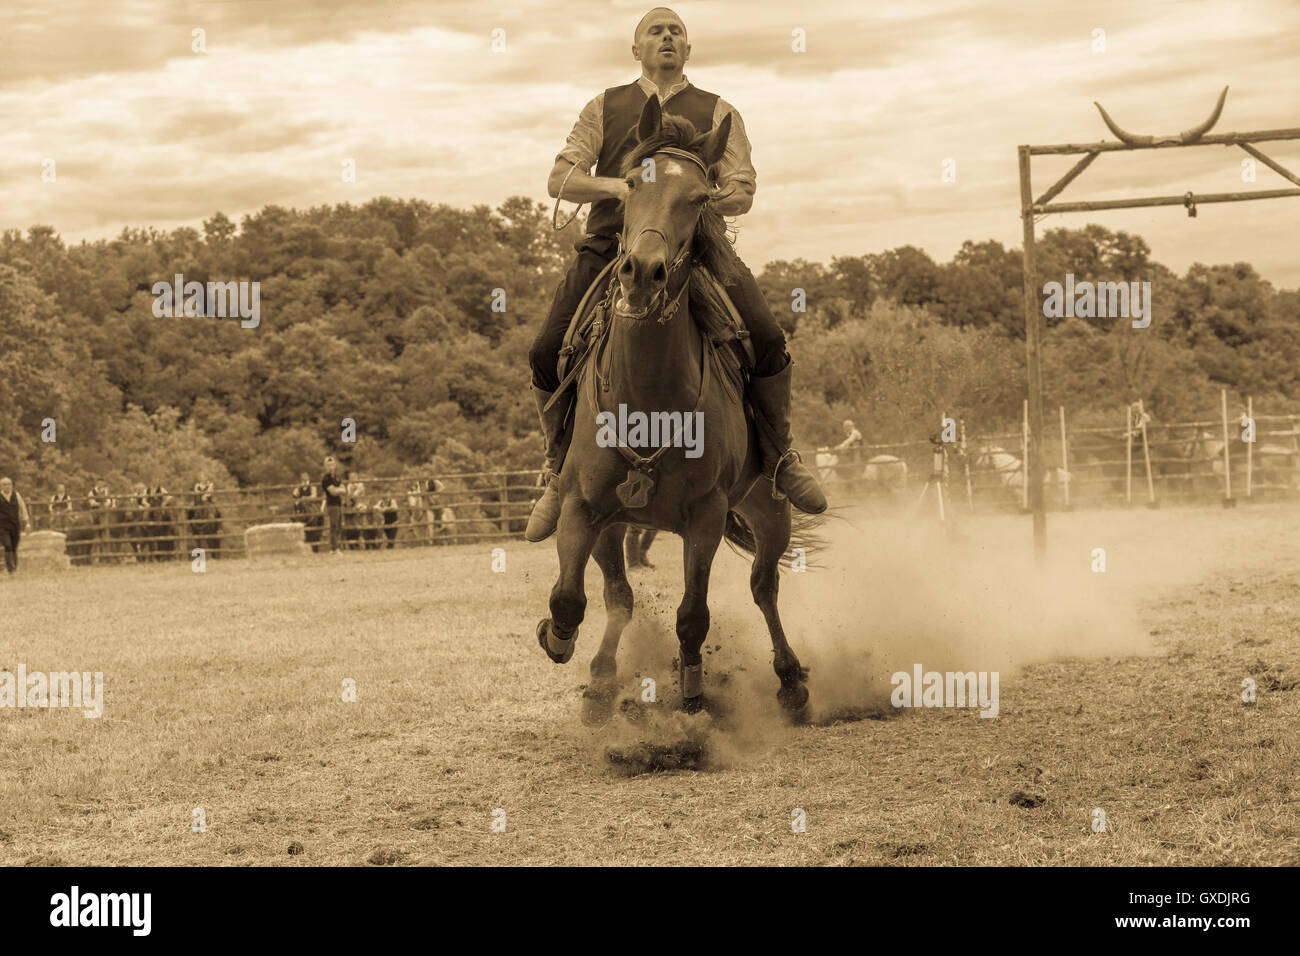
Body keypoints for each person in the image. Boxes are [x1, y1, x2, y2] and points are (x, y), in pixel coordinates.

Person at [523, 7, 826, 542]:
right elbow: (559, 180)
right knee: (547, 349)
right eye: (655, 31)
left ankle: (779, 457)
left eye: (676, 31)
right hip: (611, 246)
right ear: (635, 49)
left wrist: (699, 197)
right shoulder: (604, 106)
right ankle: (556, 468)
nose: (667, 37)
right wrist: (624, 189)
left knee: (769, 338)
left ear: (688, 49)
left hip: (696, 248)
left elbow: (744, 190)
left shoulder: (718, 111)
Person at [0, 477, 32, 576]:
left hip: (15, 525)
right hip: (2, 526)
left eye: (9, 484)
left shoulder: (17, 495)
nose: (7, 486)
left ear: (12, 485)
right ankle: (11, 570)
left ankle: (15, 567)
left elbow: (23, 508)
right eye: (4, 484)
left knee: (14, 547)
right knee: (8, 546)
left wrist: (27, 523)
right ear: (1, 486)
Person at [321, 457, 345, 555]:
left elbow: (344, 489)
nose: (331, 467)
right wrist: (339, 489)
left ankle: (334, 548)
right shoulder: (326, 479)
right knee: (334, 526)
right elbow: (333, 492)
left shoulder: (336, 477)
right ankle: (334, 548)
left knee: (338, 526)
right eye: (328, 465)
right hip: (332, 505)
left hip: (338, 504)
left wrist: (338, 489)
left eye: (332, 465)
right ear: (325, 467)